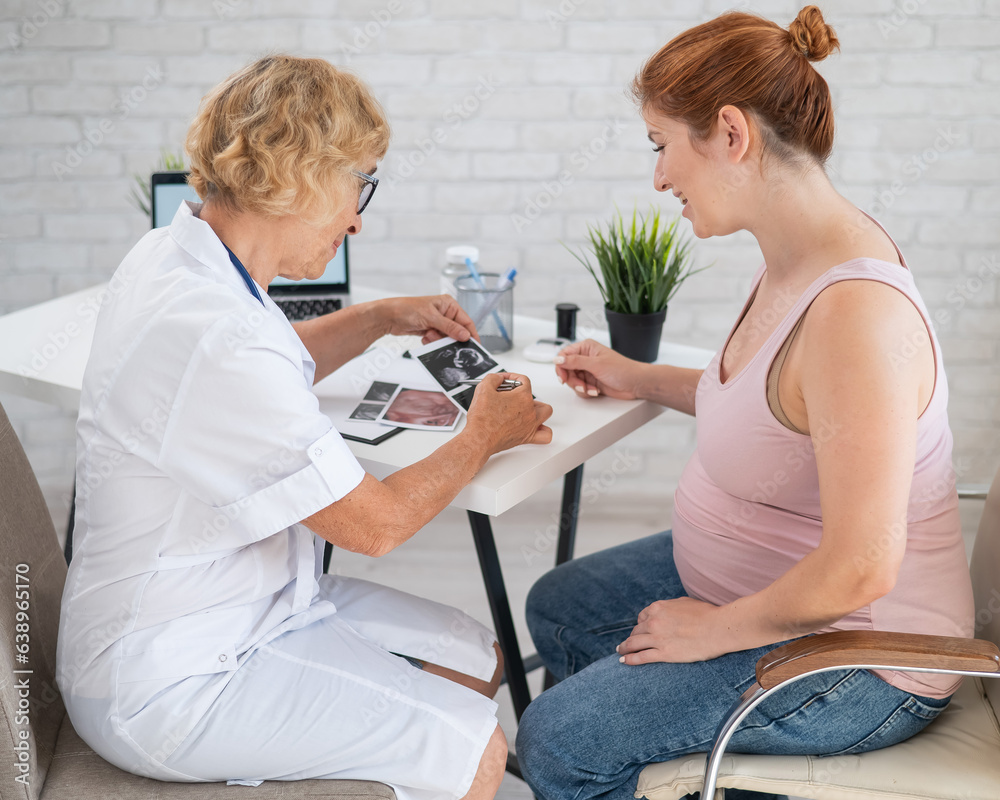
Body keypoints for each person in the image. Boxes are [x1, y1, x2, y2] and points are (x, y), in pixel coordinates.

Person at [56, 55, 553, 800]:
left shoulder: (180, 257)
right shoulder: (216, 334)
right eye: (360, 183)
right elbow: (375, 527)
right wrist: (482, 432)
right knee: (474, 747)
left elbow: (272, 367)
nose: (357, 216)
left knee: (473, 656)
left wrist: (383, 316)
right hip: (168, 677)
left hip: (245, 602)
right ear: (301, 174)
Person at [514, 7, 974, 800]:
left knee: (559, 739)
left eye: (662, 145)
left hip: (862, 654)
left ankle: (612, 760)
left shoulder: (856, 316)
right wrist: (639, 375)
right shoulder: (798, 257)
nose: (659, 177)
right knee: (563, 607)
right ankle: (663, 766)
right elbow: (777, 413)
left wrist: (713, 632)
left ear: (730, 133)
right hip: (775, 588)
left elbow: (863, 568)